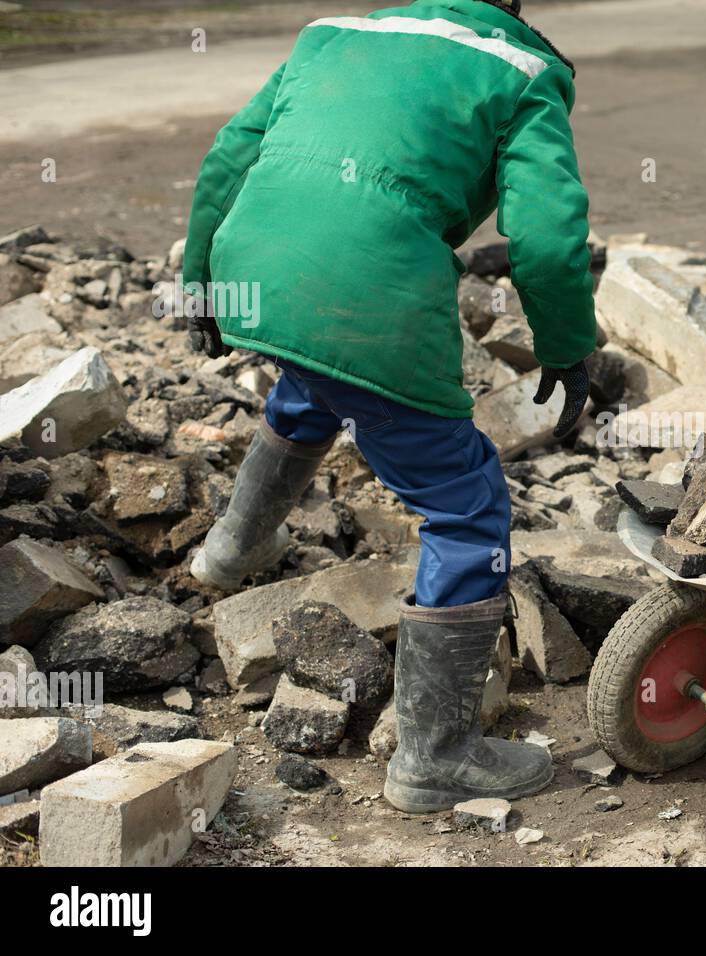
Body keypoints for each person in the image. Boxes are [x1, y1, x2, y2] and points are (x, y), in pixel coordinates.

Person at [180, 0, 596, 813]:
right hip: (371, 293)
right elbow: (546, 236)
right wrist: (566, 342)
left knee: (313, 387)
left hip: (261, 268)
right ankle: (435, 759)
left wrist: (202, 277)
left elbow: (230, 156)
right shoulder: (522, 71)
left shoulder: (335, 34)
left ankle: (228, 554)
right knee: (467, 507)